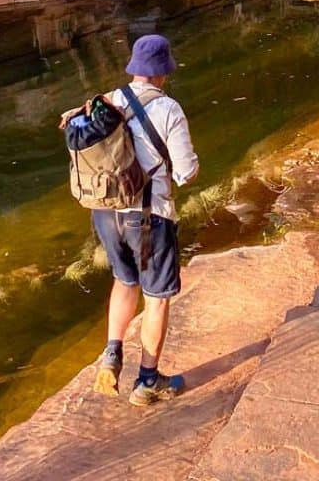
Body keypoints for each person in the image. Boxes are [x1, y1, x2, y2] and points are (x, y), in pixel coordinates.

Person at [83, 34, 199, 406]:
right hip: (149, 218)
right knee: (157, 298)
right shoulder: (169, 109)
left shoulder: (108, 100)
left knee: (124, 280)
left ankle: (112, 352)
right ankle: (147, 381)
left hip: (105, 213)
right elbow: (185, 172)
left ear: (134, 68)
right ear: (163, 71)